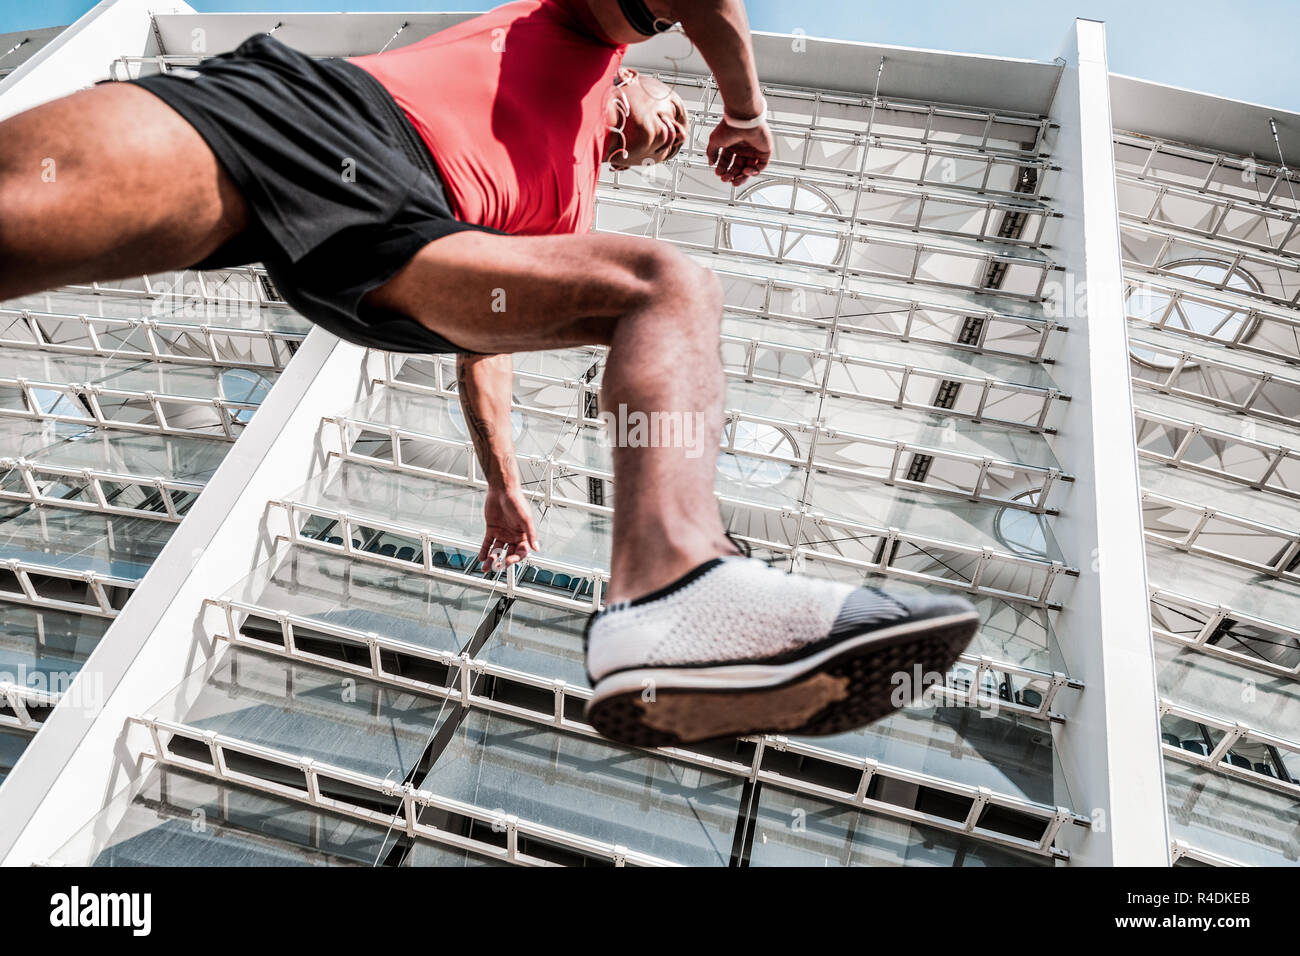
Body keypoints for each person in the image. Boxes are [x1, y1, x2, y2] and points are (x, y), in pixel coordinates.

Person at [0, 0, 979, 747]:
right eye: (668, 112)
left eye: (670, 142)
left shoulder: (569, 211)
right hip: (328, 123)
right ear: (642, 79)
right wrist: (742, 110)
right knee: (21, 213)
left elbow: (489, 350)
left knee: (666, 287)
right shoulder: (583, 33)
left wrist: (503, 486)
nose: (668, 132)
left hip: (413, 242)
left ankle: (671, 588)